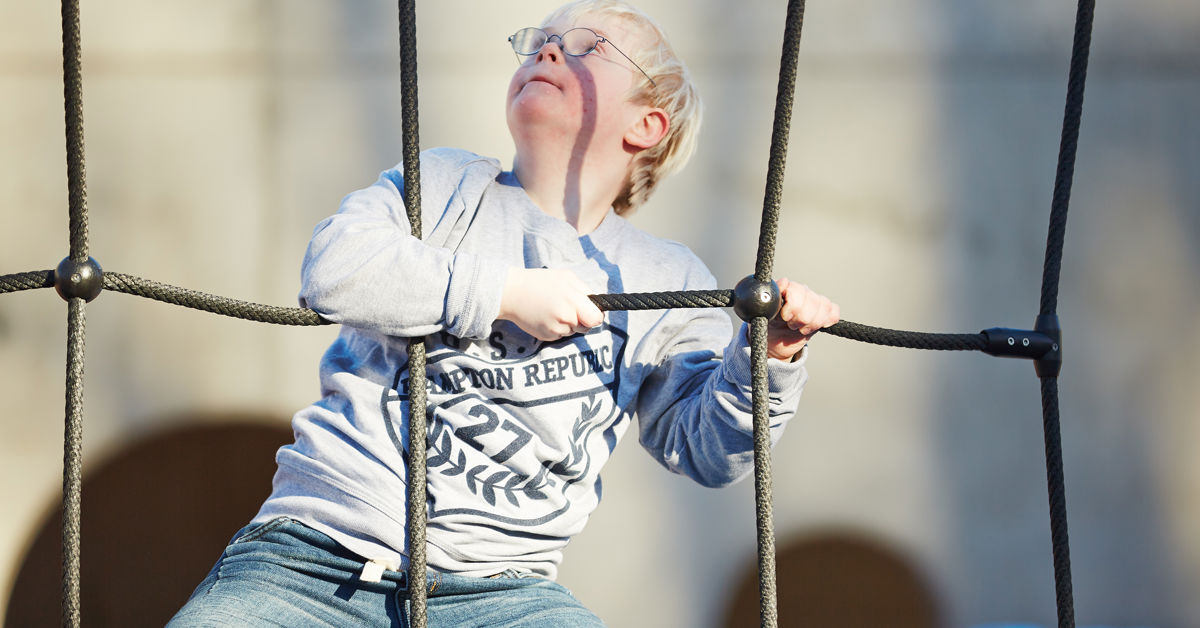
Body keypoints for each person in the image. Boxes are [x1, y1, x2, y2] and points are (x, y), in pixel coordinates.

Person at [169, 1, 839, 626]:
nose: (549, 52)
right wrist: (503, 295)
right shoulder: (448, 185)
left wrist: (770, 357)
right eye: (540, 43)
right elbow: (335, 269)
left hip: (505, 590)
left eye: (587, 48)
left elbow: (705, 451)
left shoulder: (665, 278)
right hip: (314, 555)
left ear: (646, 124)